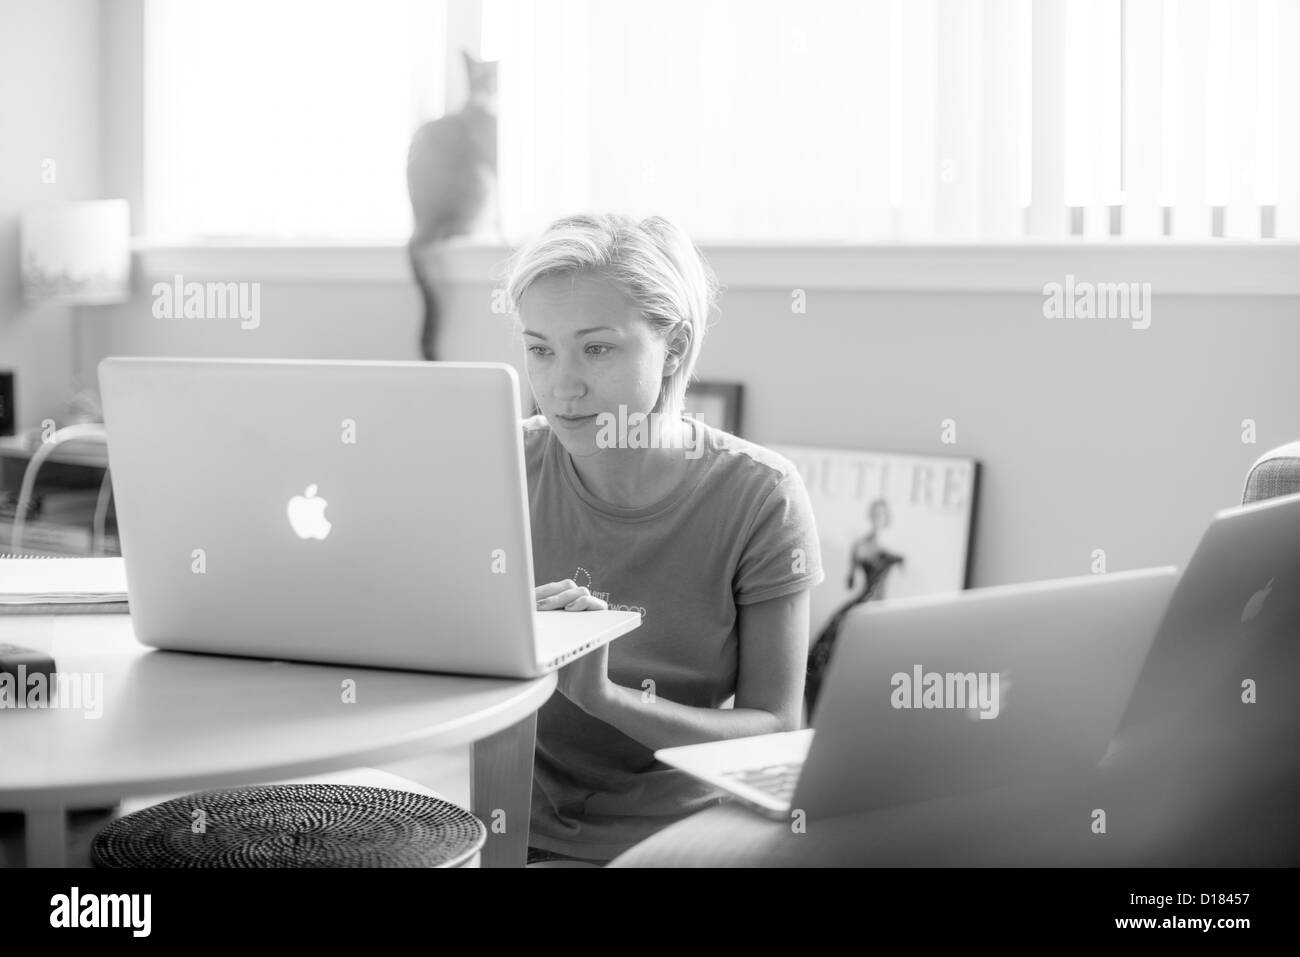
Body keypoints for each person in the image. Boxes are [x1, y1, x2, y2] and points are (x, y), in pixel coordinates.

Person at [505, 212, 825, 865]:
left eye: (597, 348)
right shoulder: (502, 464)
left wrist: (604, 697)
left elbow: (774, 730)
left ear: (674, 346)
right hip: (509, 819)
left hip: (689, 832)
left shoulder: (761, 496)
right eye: (540, 348)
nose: (562, 387)